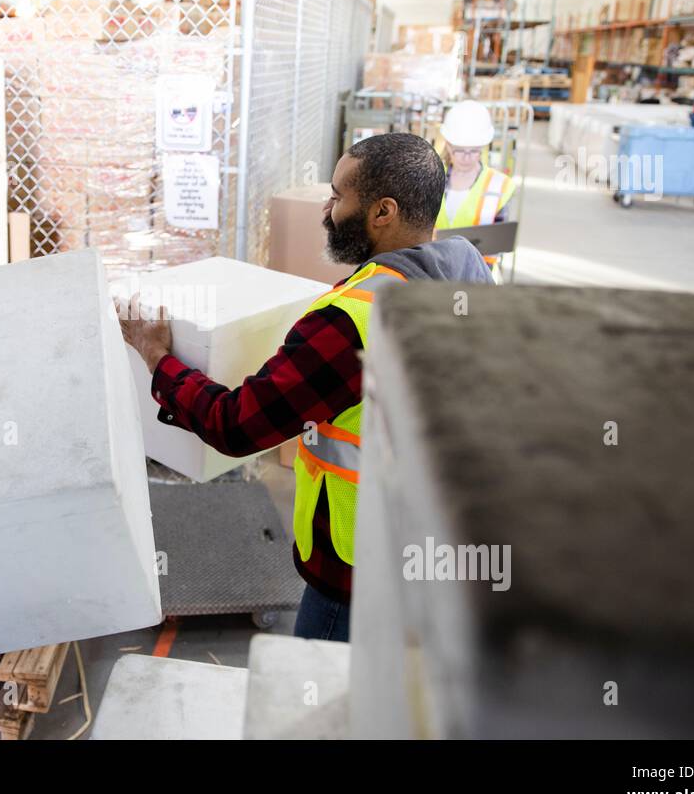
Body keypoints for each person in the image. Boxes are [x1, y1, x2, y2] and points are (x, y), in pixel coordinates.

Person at [118, 133, 494, 642]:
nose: (328, 207)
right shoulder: (465, 275)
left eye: (340, 196)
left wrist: (156, 355)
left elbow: (236, 426)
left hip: (358, 578)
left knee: (329, 713)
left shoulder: (354, 321)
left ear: (382, 211)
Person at [435, 100, 519, 271]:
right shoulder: (431, 177)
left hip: (477, 272)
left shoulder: (499, 185)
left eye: (473, 151)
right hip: (432, 267)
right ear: (448, 146)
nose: (466, 157)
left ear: (483, 147)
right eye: (459, 150)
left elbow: (497, 241)